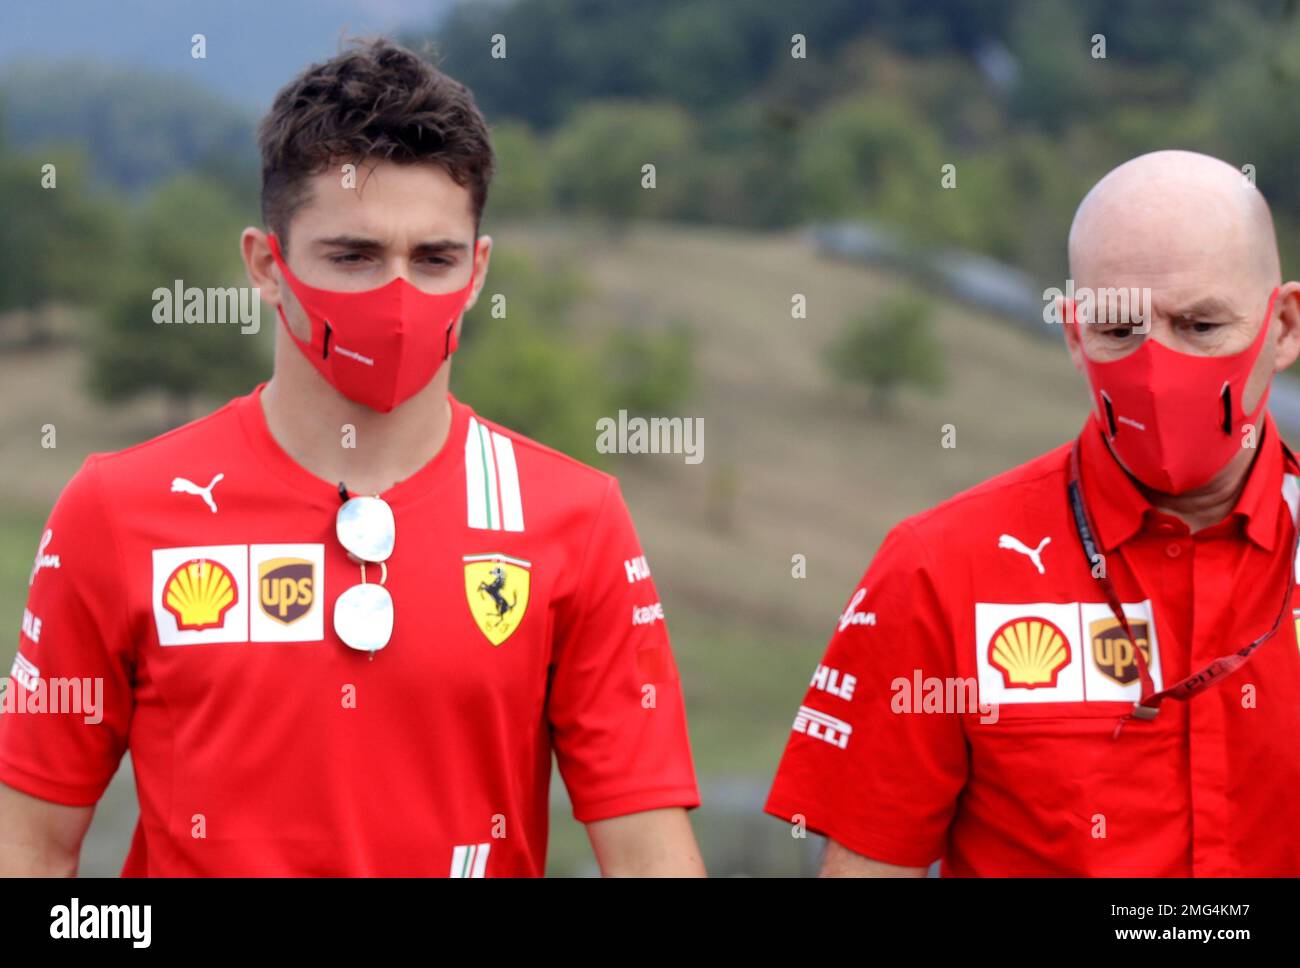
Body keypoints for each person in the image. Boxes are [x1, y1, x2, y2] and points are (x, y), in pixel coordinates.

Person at [0, 39, 703, 877]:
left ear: (478, 272)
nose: (398, 298)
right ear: (266, 265)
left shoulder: (576, 519)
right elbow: (29, 849)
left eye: (433, 259)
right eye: (353, 256)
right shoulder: (116, 509)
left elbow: (651, 861)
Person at [765, 150, 1300, 876]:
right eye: (1120, 331)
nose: (1158, 365)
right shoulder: (941, 568)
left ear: (1285, 327)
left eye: (1201, 327)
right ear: (1076, 336)